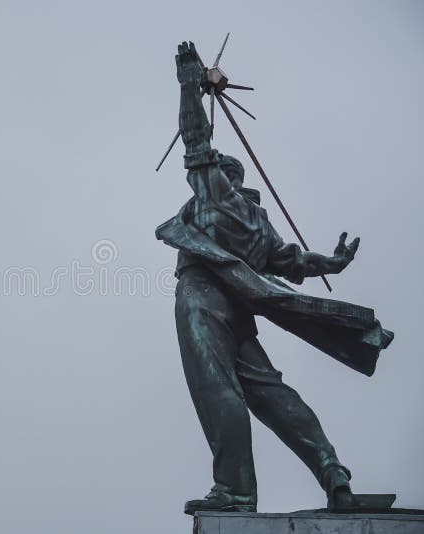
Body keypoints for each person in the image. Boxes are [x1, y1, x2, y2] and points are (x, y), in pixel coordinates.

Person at [155, 42, 394, 515]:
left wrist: (188, 86)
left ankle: (236, 490)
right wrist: (332, 262)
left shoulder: (215, 199)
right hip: (240, 311)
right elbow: (294, 262)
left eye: (208, 172)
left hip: (203, 301)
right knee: (273, 393)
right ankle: (332, 471)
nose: (198, 177)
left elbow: (195, 141)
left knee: (216, 387)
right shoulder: (258, 223)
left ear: (221, 177)